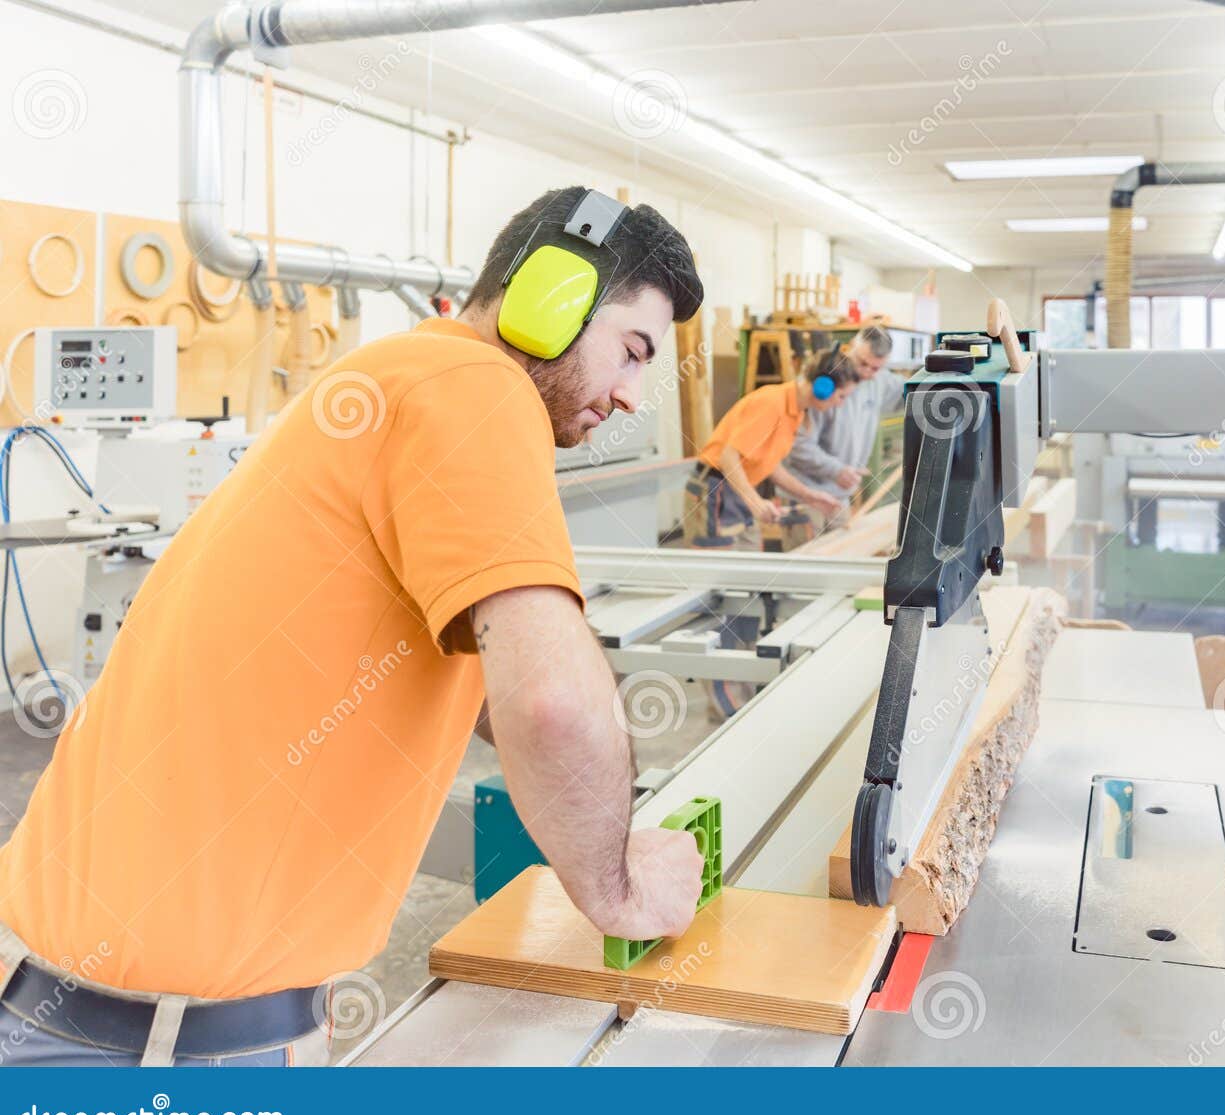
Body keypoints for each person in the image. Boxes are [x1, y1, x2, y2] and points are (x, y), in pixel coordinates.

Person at [0, 186, 708, 1066]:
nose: (636, 395)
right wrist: (620, 886)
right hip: (164, 1047)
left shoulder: (398, 374)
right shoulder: (477, 389)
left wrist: (586, 787)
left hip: (92, 1000)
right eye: (631, 351)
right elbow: (552, 709)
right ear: (548, 298)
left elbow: (494, 675)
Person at [682, 347, 861, 548]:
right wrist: (755, 502)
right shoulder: (772, 403)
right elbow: (728, 457)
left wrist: (810, 496)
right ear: (823, 387)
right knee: (716, 571)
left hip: (739, 487)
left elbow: (771, 465)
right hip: (716, 488)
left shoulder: (797, 412)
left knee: (748, 565)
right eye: (842, 396)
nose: (840, 404)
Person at [782, 326, 902, 529]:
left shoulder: (878, 380)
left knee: (841, 557)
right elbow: (797, 445)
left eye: (875, 368)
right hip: (805, 495)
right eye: (863, 363)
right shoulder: (824, 383)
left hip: (839, 497)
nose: (867, 373)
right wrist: (837, 470)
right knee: (807, 559)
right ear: (851, 348)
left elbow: (910, 391)